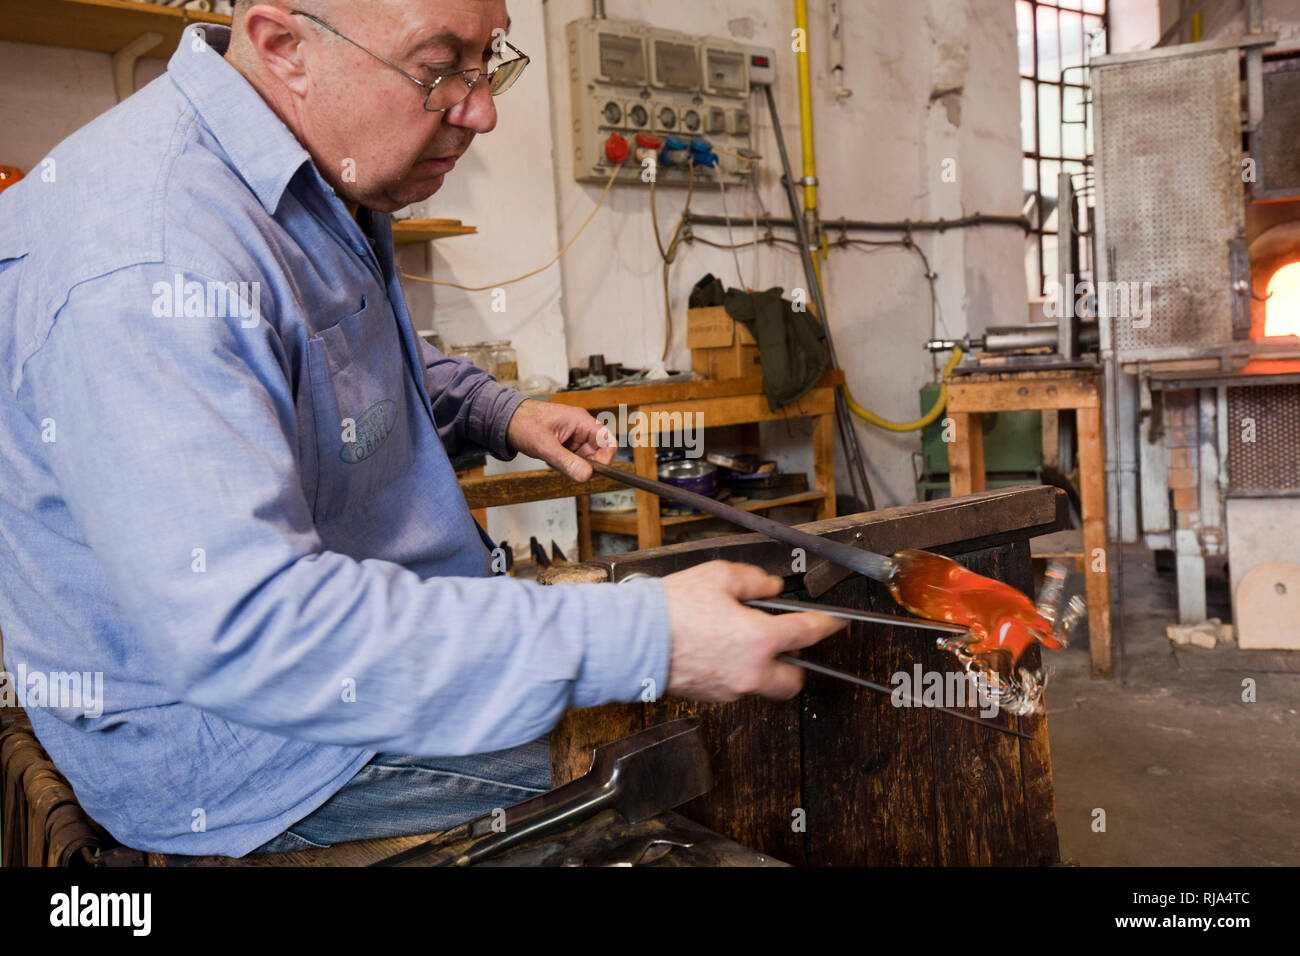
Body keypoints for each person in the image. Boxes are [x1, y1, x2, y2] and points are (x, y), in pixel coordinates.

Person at [0, 0, 845, 857]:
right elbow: (251, 629)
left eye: (488, 61)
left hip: (330, 661)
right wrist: (649, 636)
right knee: (733, 751)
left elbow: (337, 353)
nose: (481, 109)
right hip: (255, 748)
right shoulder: (151, 263)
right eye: (440, 68)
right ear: (285, 48)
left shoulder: (311, 170)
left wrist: (499, 411)